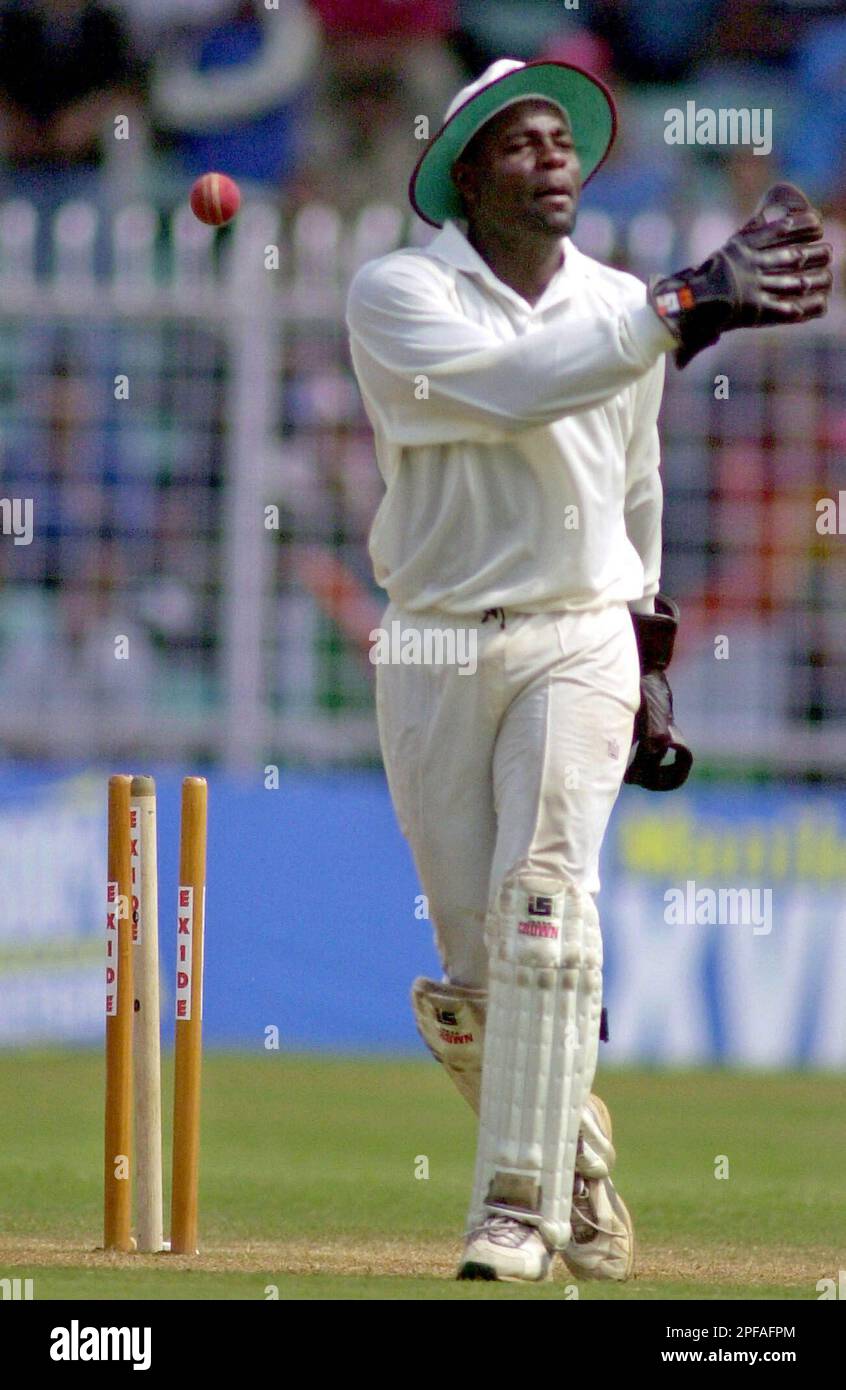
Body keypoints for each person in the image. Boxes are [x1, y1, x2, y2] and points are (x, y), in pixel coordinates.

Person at [346, 58, 831, 1283]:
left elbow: (635, 487)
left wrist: (647, 646)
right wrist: (674, 310)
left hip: (579, 631)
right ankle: (577, 1154)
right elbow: (515, 392)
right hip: (435, 638)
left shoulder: (617, 298)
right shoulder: (401, 295)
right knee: (475, 975)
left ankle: (513, 1209)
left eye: (562, 139)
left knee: (544, 902)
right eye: (519, 143)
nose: (553, 156)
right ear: (467, 180)